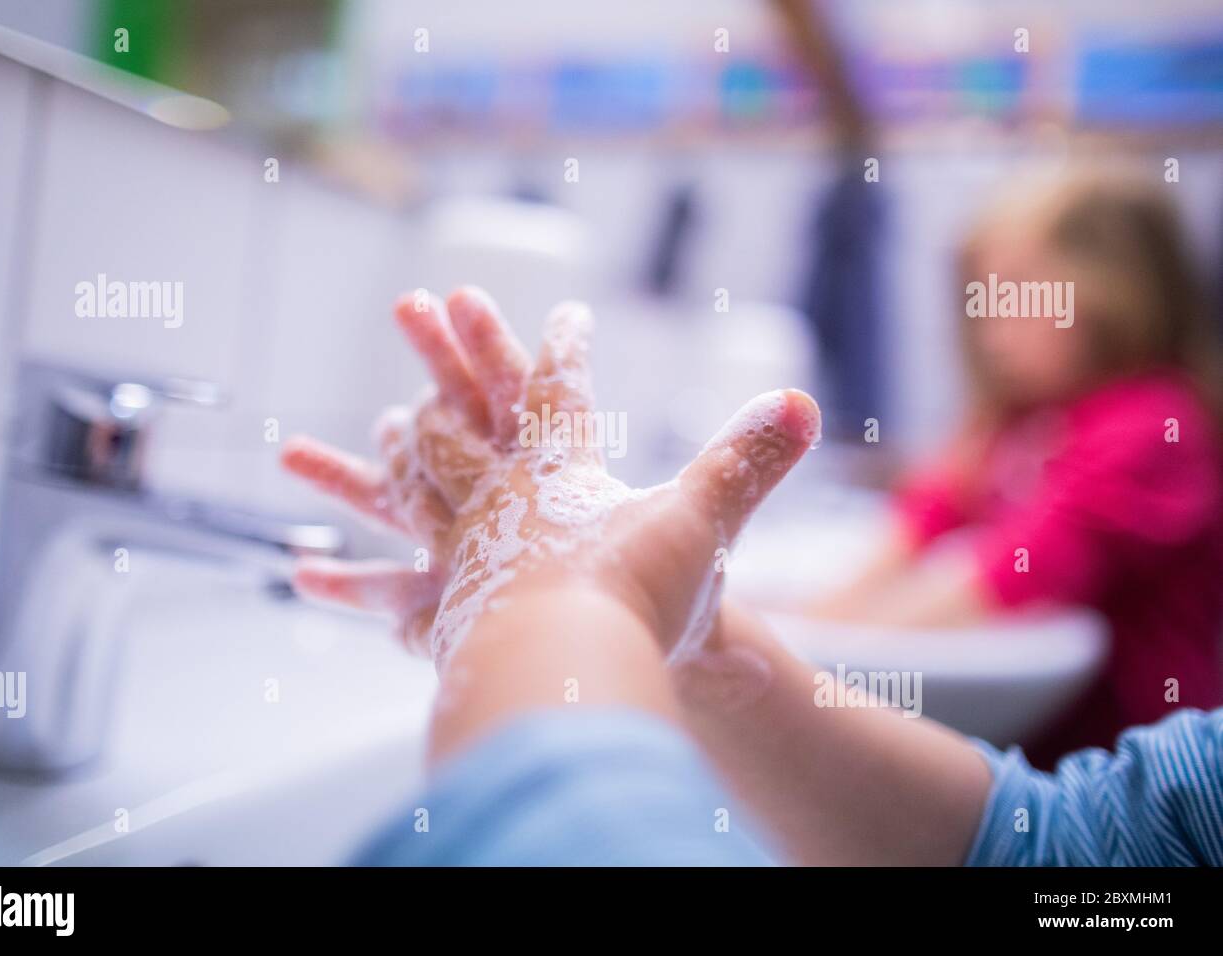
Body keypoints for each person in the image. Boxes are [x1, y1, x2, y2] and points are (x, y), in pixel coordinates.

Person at [281, 285, 1222, 866]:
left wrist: (551, 608)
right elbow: (1087, 866)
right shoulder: (1012, 427)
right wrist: (695, 640)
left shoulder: (1145, 421)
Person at [806, 171, 1223, 767]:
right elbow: (927, 514)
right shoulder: (1023, 418)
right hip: (1048, 759)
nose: (991, 331)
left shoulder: (1154, 426)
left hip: (1136, 787)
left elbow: (1012, 574)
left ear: (1114, 295)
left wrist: (822, 656)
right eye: (982, 299)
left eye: (1020, 295)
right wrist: (820, 618)